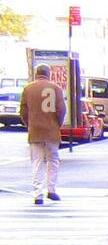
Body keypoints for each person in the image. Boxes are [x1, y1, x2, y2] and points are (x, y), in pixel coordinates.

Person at [19, 64, 66, 206]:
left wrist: (29, 123)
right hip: (51, 130)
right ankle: (51, 190)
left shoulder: (28, 89)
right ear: (48, 74)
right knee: (53, 160)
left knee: (37, 162)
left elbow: (23, 111)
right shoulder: (56, 89)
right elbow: (61, 110)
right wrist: (57, 124)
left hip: (35, 131)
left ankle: (37, 194)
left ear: (36, 74)